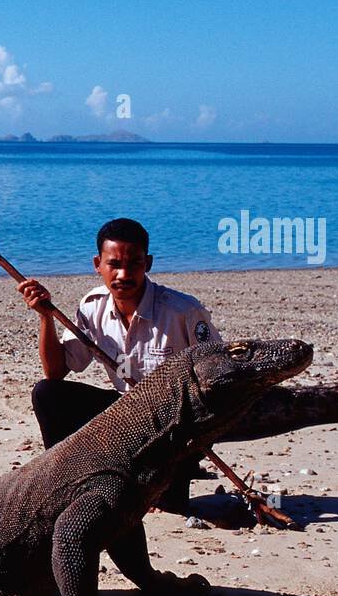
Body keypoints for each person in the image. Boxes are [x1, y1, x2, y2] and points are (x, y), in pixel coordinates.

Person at [17, 218, 220, 513]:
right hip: (124, 415)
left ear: (147, 263)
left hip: (175, 424)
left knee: (170, 504)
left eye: (134, 264)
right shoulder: (91, 307)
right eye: (114, 264)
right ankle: (63, 482)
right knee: (47, 393)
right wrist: (45, 317)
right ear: (98, 264)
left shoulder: (183, 311)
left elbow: (218, 374)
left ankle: (173, 470)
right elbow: (57, 371)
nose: (123, 274)